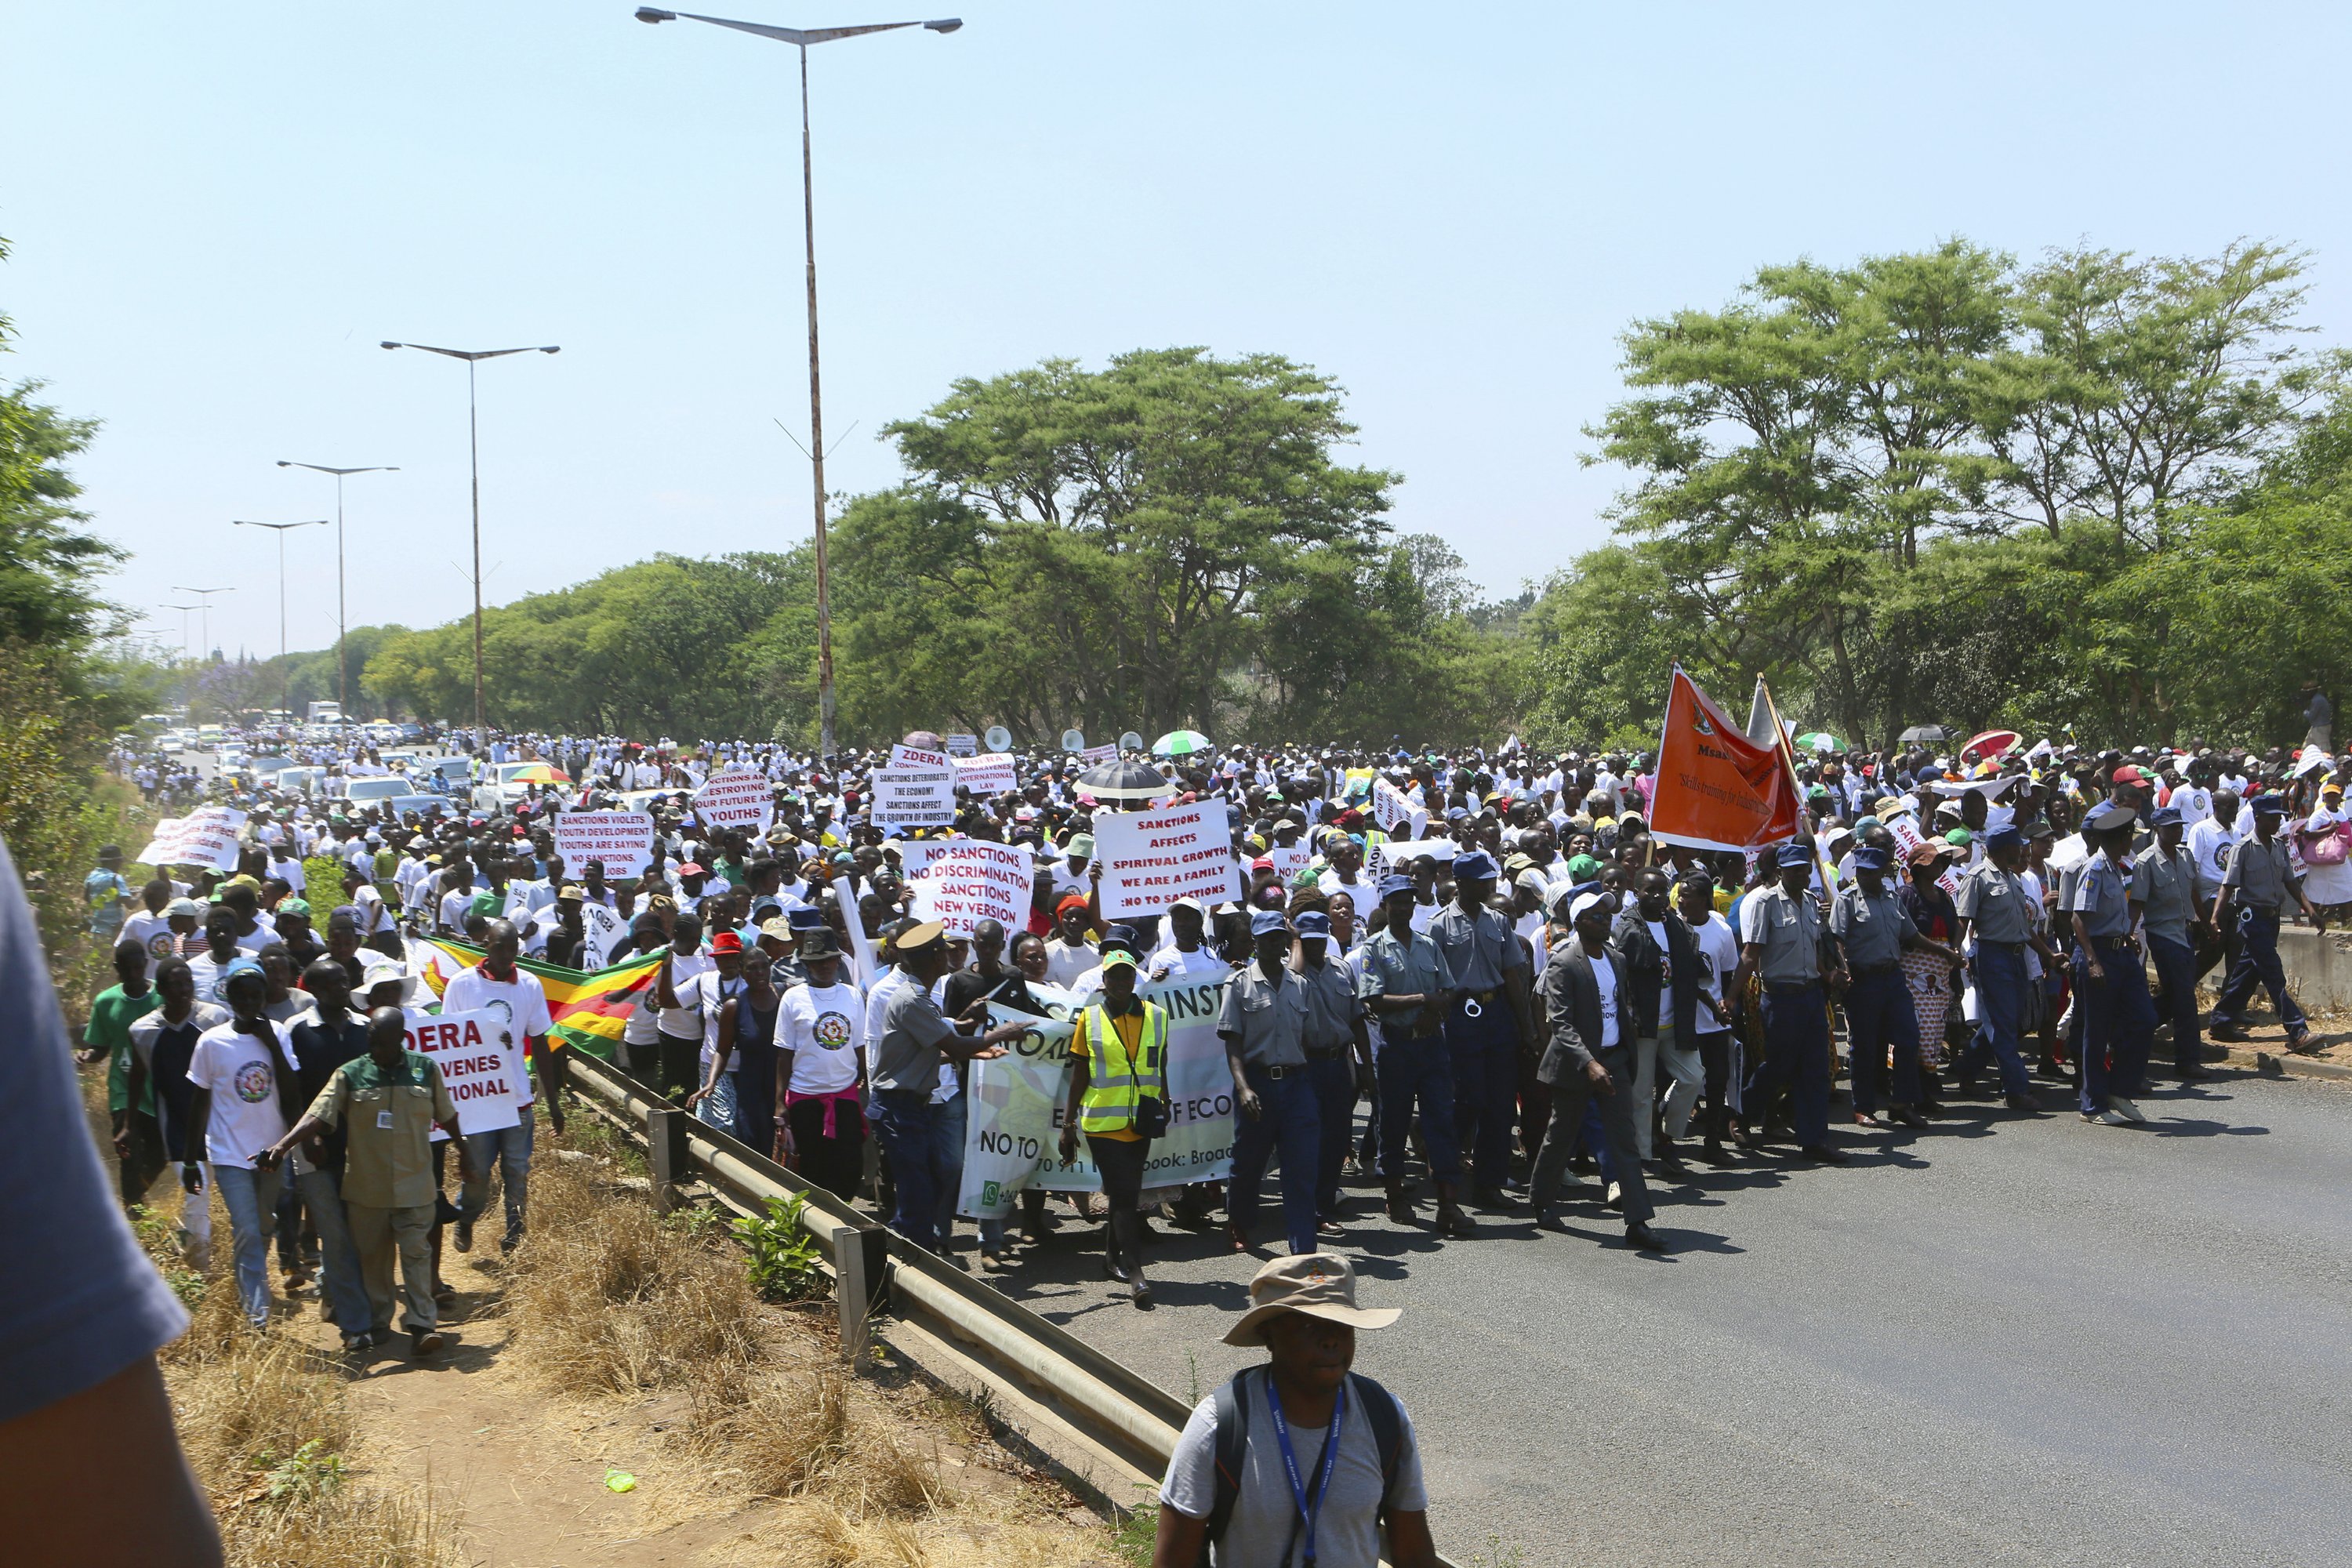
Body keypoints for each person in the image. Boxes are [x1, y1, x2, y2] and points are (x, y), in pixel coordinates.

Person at [0, 837, 221, 1568]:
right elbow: (112, 1060)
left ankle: (189, 1262)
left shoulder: (197, 1019)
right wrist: (119, 1112)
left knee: (185, 1199)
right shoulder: (127, 1018)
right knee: (146, 1197)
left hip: (194, 1134)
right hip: (143, 1118)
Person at [1151, 1253, 1438, 1568]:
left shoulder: (1383, 1416)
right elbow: (1173, 1558)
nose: (1330, 1339)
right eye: (1307, 1324)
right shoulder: (1221, 1425)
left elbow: (1413, 1553)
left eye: (1341, 1324)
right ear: (1268, 1335)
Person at [260, 1006, 467, 1356]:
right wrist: (282, 1147)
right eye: (371, 1040)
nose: (376, 1049)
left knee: (417, 1254)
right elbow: (317, 1114)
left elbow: (447, 1116)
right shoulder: (351, 1074)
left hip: (415, 1186)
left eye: (383, 1043)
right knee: (374, 1262)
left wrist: (465, 1152)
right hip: (367, 1190)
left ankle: (422, 1326)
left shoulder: (424, 1070)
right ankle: (379, 1320)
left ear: (400, 1040)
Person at [870, 921, 1026, 1251]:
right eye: (944, 950)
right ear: (936, 959)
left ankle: (907, 1255)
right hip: (899, 1108)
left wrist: (978, 1045)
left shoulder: (919, 997)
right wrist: (1000, 1034)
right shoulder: (912, 999)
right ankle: (903, 1260)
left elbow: (942, 1040)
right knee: (917, 1192)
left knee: (922, 1187)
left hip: (909, 1106)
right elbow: (954, 1046)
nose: (950, 954)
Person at [1527, 891, 1663, 1250]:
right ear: (1579, 923)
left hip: (1614, 1059)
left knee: (1624, 1140)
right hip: (1577, 1065)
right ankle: (1541, 1199)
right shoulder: (1564, 962)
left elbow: (1619, 1008)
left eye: (1607, 915)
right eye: (1596, 916)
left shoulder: (1616, 959)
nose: (1605, 921)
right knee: (1561, 1135)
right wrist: (1589, 1063)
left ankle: (1637, 1222)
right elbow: (1561, 1022)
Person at [182, 958, 304, 1327]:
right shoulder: (211, 1042)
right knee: (247, 1227)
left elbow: (291, 1088)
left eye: (257, 995)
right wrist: (192, 1160)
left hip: (272, 1150)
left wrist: (270, 1043)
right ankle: (257, 1316)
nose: (250, 1002)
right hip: (229, 1152)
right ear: (231, 997)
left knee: (263, 1225)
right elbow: (199, 1102)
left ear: (265, 997)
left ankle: (252, 1286)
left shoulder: (279, 1033)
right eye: (243, 995)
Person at [441, 918, 563, 1253]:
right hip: (478, 1102)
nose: (507, 955)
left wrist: (552, 1102)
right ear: (486, 947)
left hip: (516, 1099)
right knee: (478, 1172)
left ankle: (515, 1236)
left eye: (513, 949)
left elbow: (540, 1042)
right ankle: (466, 1219)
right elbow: (450, 1044)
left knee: (517, 1170)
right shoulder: (462, 984)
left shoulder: (529, 985)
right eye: (500, 948)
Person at [1355, 876, 1468, 1234]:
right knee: (1393, 1122)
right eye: (1396, 902)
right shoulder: (1374, 948)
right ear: (1384, 906)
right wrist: (1422, 1000)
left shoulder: (1427, 944)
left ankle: (1448, 1205)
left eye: (1408, 901)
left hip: (1432, 1045)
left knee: (1441, 1122)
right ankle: (1395, 1195)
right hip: (1397, 1046)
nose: (1403, 907)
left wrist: (1437, 1008)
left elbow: (1449, 989)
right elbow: (1373, 1000)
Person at [1057, 949, 1170, 1307]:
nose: (1121, 982)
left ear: (1135, 979)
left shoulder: (1157, 1016)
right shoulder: (1089, 1019)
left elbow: (1160, 1064)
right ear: (1102, 982)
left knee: (1126, 1191)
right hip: (1102, 1123)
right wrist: (1068, 1123)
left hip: (1142, 1120)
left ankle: (1109, 1258)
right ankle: (1136, 1273)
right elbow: (1079, 1076)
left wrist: (1166, 1102)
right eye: (1113, 976)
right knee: (1124, 1194)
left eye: (1127, 975)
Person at [1426, 850, 1534, 1207]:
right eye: (1484, 880)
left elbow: (1512, 977)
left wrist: (1525, 1027)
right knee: (1467, 1099)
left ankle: (1490, 1184)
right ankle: (1446, 1176)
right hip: (1459, 1017)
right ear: (1463, 883)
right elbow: (1435, 984)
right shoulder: (1439, 925)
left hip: (1496, 1014)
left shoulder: (1498, 921)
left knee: (1500, 1103)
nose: (1491, 885)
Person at [1735, 842, 1848, 1160]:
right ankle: (1741, 1115)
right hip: (1780, 999)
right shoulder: (1765, 903)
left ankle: (1814, 1140)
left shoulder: (1812, 902)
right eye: (1795, 869)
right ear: (1780, 872)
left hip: (1811, 995)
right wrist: (1730, 998)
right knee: (1777, 1068)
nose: (1802, 873)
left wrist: (1831, 976)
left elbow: (1813, 953)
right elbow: (1750, 954)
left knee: (1816, 1070)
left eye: (1806, 868)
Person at [1831, 845, 1956, 1129]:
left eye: (1872, 873)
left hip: (1893, 977)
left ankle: (1901, 1103)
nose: (1865, 877)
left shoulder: (1891, 898)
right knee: (1864, 1046)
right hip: (1863, 979)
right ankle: (1863, 1107)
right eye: (1861, 872)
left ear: (1881, 874)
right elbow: (1836, 939)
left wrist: (1944, 952)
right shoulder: (1847, 900)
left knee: (1909, 1037)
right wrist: (1843, 967)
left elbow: (1911, 934)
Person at [1221, 910, 1321, 1255]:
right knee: (1248, 1164)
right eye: (1266, 938)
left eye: (1279, 936)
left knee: (1302, 1167)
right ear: (1255, 942)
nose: (1273, 943)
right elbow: (1232, 1041)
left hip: (1296, 1086)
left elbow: (1307, 1038)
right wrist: (1243, 1087)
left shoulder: (1301, 985)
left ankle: (1303, 1247)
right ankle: (1241, 1223)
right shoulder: (1238, 984)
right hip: (1258, 1084)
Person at [2209, 794, 2319, 1051]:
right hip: (2252, 917)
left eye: (2279, 818)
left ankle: (2221, 1020)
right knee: (2273, 973)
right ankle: (2297, 1031)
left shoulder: (2280, 847)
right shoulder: (2243, 848)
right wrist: (2215, 918)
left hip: (2271, 919)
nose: (2276, 823)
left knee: (2250, 970)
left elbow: (2290, 883)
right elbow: (2228, 886)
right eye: (2272, 818)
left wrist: (2310, 910)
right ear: (2258, 818)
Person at [2070, 800, 2157, 1125]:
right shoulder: (2094, 868)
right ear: (2118, 839)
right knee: (2097, 1030)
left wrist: (2127, 935)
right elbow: (2079, 919)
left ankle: (2120, 1088)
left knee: (2145, 1019)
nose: (2131, 843)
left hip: (2121, 953)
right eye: (2128, 838)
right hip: (2099, 955)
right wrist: (2092, 961)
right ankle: (2092, 1105)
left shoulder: (2118, 868)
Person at [1952, 826, 2049, 1113]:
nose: (2022, 851)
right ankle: (2016, 1090)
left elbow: (2026, 927)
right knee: (2004, 1024)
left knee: (2006, 1022)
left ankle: (1966, 1067)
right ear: (2003, 848)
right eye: (2017, 846)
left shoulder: (2013, 877)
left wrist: (2049, 955)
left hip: (2016, 958)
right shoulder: (1977, 878)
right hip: (1992, 956)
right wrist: (1953, 954)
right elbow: (1963, 920)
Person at [1290, 909, 1371, 1237]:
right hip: (1307, 1065)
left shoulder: (1342, 970)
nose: (1312, 947)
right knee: (1309, 1140)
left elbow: (1357, 1021)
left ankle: (1324, 1201)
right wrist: (1295, 943)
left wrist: (1366, 1067)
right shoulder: (1291, 973)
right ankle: (1310, 1209)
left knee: (1337, 1138)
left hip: (1339, 1064)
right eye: (1305, 941)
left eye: (1318, 939)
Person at [776, 926, 867, 1200]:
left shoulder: (852, 995)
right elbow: (784, 1053)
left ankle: (845, 1216)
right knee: (814, 1167)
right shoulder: (793, 998)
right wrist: (780, 1101)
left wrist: (867, 1080)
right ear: (806, 964)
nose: (824, 966)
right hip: (805, 1098)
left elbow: (860, 1044)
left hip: (845, 1095)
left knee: (850, 1165)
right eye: (817, 961)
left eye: (829, 960)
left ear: (838, 961)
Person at [2132, 805, 2210, 1082]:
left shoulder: (2185, 856)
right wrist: (2128, 934)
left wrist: (2207, 922)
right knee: (2186, 998)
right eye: (2172, 828)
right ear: (2158, 830)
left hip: (2185, 931)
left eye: (2180, 826)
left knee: (2178, 994)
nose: (2178, 831)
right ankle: (2188, 1060)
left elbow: (2194, 892)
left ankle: (2132, 1028)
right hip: (2163, 935)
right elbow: (2137, 902)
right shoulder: (2146, 861)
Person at [84, 940, 162, 1206]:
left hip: (157, 1088)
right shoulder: (106, 1002)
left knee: (159, 1152)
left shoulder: (162, 997)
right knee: (128, 1149)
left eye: (138, 968)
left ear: (145, 965)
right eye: (125, 970)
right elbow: (101, 1046)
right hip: (123, 1088)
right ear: (116, 968)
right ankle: (133, 1208)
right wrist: (87, 1056)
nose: (132, 975)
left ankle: (138, 1193)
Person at [85, 844, 132, 938]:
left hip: (96, 930)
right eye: (120, 861)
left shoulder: (92, 876)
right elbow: (131, 905)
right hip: (114, 930)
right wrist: (142, 893)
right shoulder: (115, 878)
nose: (121, 863)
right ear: (115, 861)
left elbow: (87, 898)